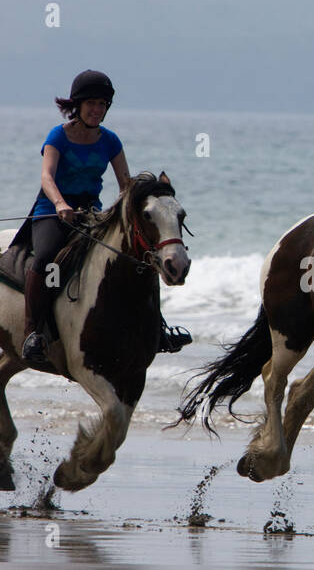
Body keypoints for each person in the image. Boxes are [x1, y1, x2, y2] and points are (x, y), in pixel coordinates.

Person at [22, 69, 191, 361]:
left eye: (102, 105)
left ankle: (157, 329)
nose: (97, 110)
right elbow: (46, 177)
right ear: (77, 105)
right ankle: (33, 333)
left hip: (91, 213)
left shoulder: (110, 141)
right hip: (52, 210)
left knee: (139, 257)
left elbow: (127, 186)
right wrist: (61, 204)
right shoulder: (58, 136)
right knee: (46, 256)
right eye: (91, 104)